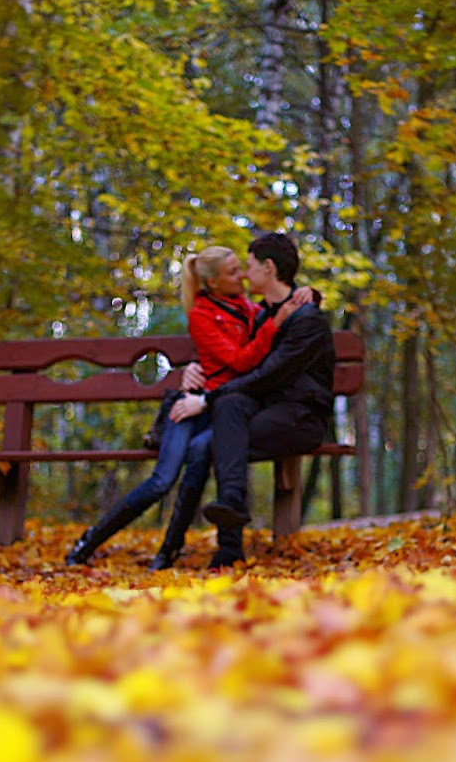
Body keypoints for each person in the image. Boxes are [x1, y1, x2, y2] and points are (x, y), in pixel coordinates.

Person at [64, 246, 309, 566]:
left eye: (240, 267)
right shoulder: (202, 315)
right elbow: (240, 360)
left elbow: (278, 312)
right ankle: (89, 541)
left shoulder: (248, 308)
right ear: (212, 283)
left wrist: (307, 292)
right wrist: (275, 323)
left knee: (198, 457)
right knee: (162, 481)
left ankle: (168, 550)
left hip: (215, 408)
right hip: (190, 408)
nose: (243, 276)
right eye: (233, 272)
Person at [168, 231, 335, 568]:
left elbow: (269, 374)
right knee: (229, 410)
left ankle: (228, 539)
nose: (244, 273)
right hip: (267, 410)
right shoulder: (261, 314)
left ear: (269, 268)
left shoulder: (306, 319)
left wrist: (205, 400)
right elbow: (231, 352)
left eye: (249, 265)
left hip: (300, 418)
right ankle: (231, 511)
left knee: (225, 434)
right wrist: (195, 367)